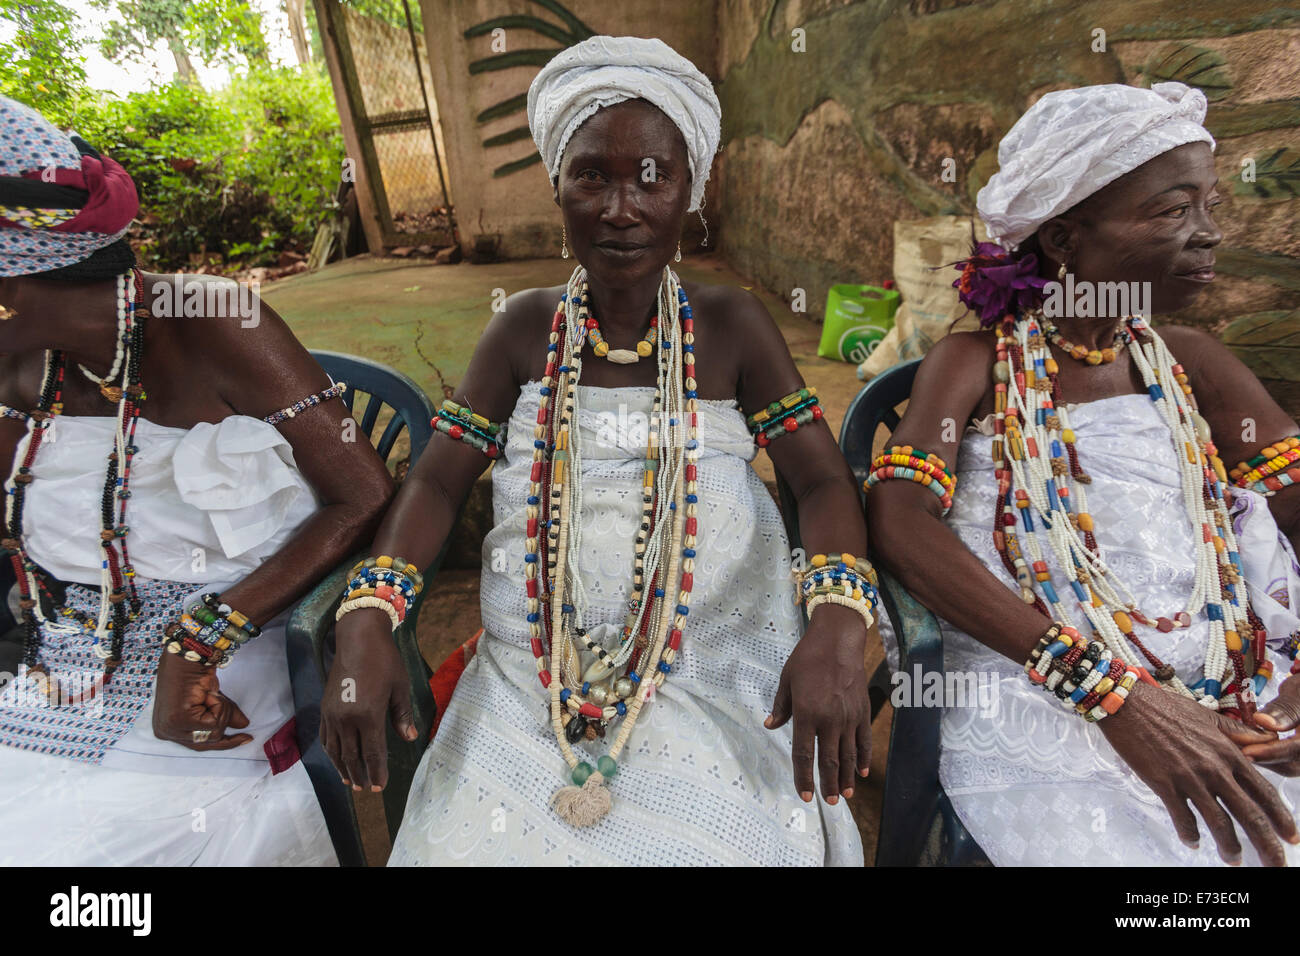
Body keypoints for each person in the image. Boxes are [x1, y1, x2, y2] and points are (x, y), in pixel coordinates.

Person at [322, 35, 872, 866]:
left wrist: (835, 625)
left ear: (689, 192)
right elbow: (437, 481)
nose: (623, 207)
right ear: (558, 187)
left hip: (715, 665)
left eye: (655, 177)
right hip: (535, 677)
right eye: (593, 176)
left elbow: (823, 478)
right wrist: (370, 612)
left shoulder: (732, 327)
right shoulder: (521, 329)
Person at [867, 81, 1300, 867]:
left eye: (1209, 205)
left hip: (1235, 685)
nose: (1208, 235)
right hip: (1040, 687)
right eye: (1174, 211)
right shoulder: (974, 366)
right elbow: (899, 521)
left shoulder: (1194, 367)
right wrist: (1107, 692)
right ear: (1065, 239)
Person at [0, 94, 394, 865]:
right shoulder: (22, 370)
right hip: (69, 657)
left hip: (238, 648)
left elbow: (364, 492)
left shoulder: (214, 319)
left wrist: (201, 638)